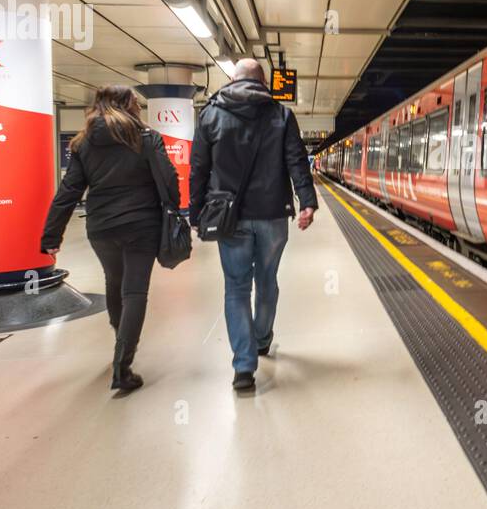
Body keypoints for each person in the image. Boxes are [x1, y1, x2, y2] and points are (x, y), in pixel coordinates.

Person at [41, 85, 179, 393]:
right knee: (135, 292)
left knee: (114, 283)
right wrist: (174, 209)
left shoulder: (83, 143)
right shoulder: (146, 138)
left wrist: (52, 234)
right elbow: (167, 177)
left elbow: (69, 192)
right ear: (128, 105)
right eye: (136, 103)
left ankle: (120, 343)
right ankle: (123, 363)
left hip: (101, 226)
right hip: (142, 224)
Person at [190, 59, 318, 391]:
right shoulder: (281, 114)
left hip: (228, 218)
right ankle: (262, 339)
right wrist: (307, 202)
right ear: (263, 81)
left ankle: (244, 368)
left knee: (236, 288)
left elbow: (199, 170)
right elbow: (296, 160)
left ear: (232, 80)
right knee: (267, 279)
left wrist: (195, 213)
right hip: (273, 214)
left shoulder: (210, 113)